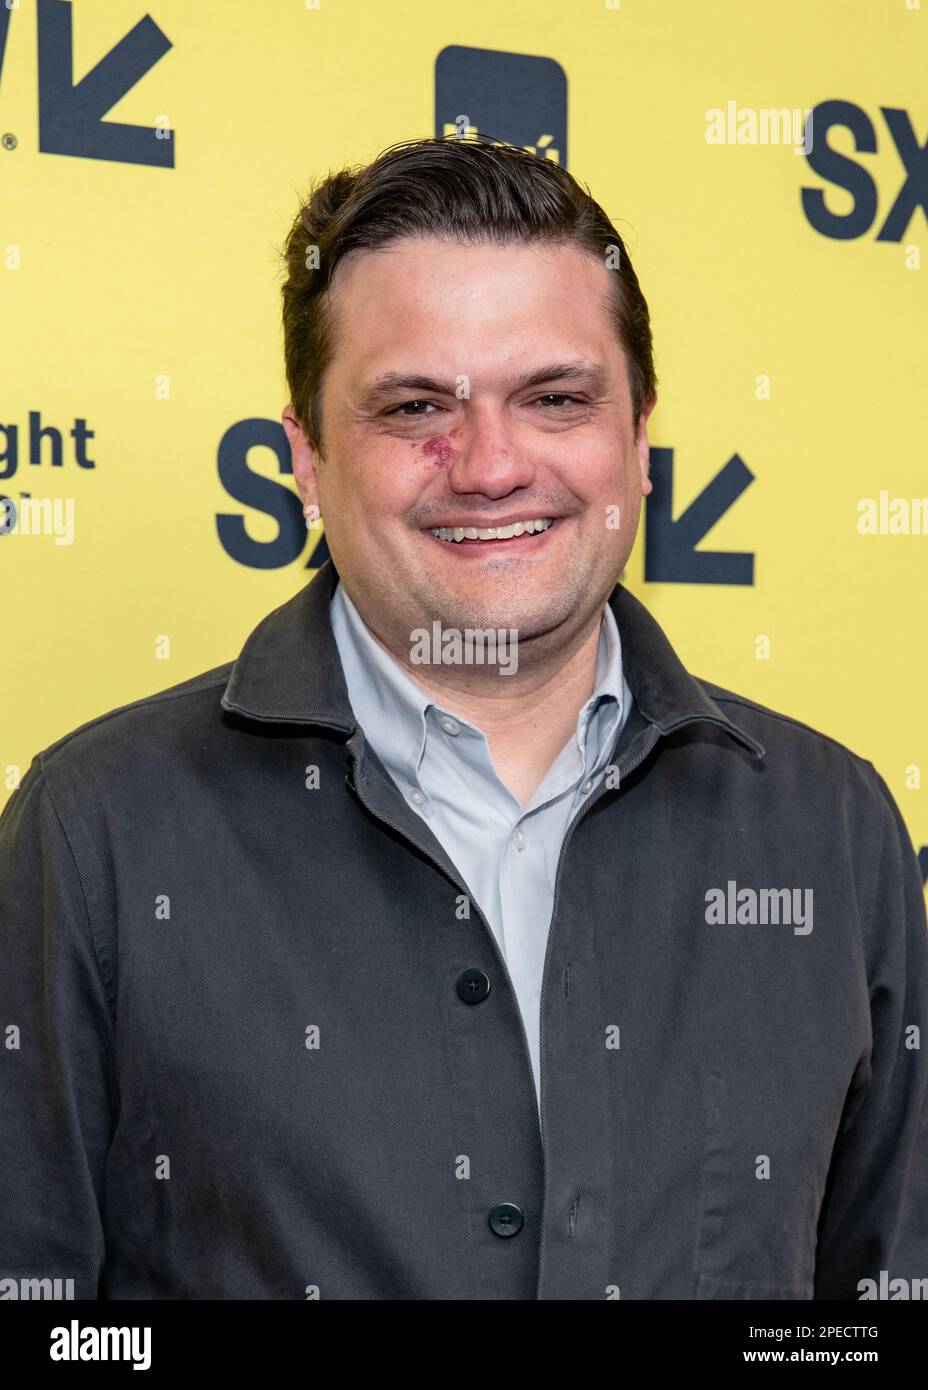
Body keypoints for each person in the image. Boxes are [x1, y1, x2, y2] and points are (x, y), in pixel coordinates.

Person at [1, 137, 925, 1301]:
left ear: (638, 439)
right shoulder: (96, 833)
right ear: (305, 457)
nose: (489, 464)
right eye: (414, 405)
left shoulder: (831, 829)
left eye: (555, 397)